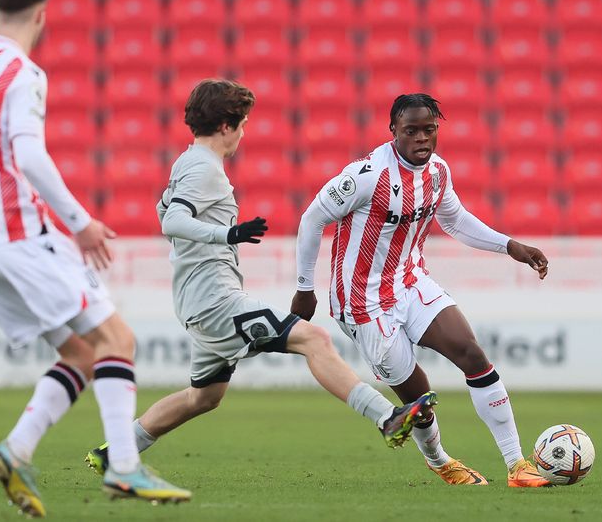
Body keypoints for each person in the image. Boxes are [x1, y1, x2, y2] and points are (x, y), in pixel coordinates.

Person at [0, 0, 190, 516]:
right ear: (41, 11)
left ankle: (15, 450)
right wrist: (80, 222)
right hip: (21, 235)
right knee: (118, 340)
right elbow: (30, 155)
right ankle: (125, 467)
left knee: (81, 354)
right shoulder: (22, 72)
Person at [84, 79, 435, 476]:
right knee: (313, 338)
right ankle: (387, 417)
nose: (244, 133)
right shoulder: (203, 169)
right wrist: (226, 234)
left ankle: (115, 451)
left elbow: (165, 214)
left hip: (199, 301)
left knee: (203, 398)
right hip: (217, 302)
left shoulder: (187, 161)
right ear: (225, 126)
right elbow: (178, 219)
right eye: (243, 124)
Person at [289, 93, 553, 488]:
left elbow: (457, 220)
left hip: (410, 282)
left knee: (472, 352)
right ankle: (440, 460)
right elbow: (311, 220)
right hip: (364, 303)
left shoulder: (438, 173)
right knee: (419, 399)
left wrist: (510, 246)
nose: (422, 139)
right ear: (393, 130)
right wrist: (305, 288)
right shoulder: (365, 176)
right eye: (411, 131)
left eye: (429, 130)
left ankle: (517, 465)